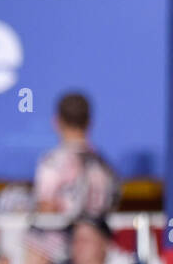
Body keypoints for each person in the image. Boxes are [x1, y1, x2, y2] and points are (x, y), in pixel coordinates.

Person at [33, 92, 119, 223]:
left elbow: (47, 209)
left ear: (57, 122)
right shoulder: (105, 166)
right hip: (98, 233)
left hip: (64, 234)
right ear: (89, 122)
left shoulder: (51, 163)